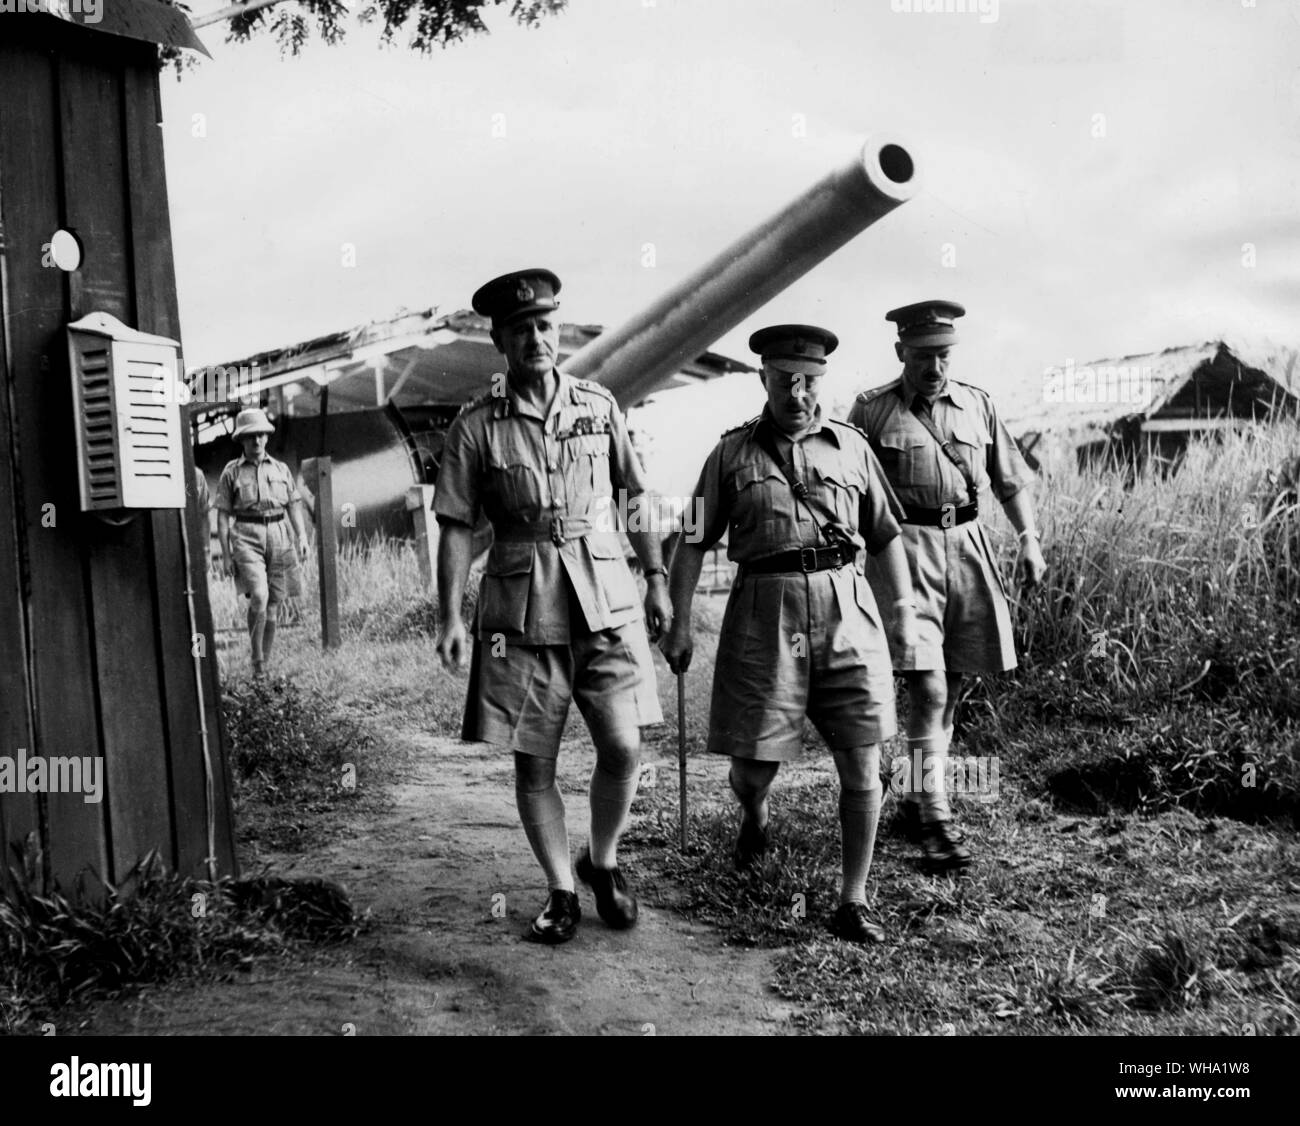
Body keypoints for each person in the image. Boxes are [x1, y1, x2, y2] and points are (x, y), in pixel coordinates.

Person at [434, 268, 671, 946]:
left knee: (623, 748)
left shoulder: (599, 406)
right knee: (533, 760)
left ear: (557, 330)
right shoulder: (477, 425)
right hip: (522, 605)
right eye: (521, 330)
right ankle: (561, 889)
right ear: (500, 341)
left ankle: (602, 861)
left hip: (606, 598)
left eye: (546, 326)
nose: (537, 339)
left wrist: (655, 574)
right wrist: (449, 615)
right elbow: (454, 522)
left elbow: (634, 493)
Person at [661, 325, 917, 944]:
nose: (797, 393)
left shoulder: (853, 448)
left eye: (808, 381)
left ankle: (852, 900)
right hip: (763, 613)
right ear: (764, 380)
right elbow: (691, 541)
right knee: (753, 770)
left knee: (864, 763)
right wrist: (677, 620)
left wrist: (904, 607)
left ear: (820, 381)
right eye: (784, 381)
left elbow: (884, 536)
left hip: (846, 612)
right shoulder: (731, 454)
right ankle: (753, 813)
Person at [847, 300, 1046, 872]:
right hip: (904, 554)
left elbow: (1010, 481)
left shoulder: (977, 405)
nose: (935, 367)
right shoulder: (872, 411)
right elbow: (849, 485)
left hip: (966, 548)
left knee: (952, 685)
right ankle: (934, 813)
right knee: (928, 689)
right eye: (923, 355)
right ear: (900, 352)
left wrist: (1029, 539)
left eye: (943, 355)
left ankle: (914, 793)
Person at [215, 408, 310, 679]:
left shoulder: (281, 469)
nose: (256, 441)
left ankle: (263, 668)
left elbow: (293, 505)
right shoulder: (231, 472)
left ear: (267, 438)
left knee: (274, 603)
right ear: (242, 441)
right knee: (259, 595)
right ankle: (256, 660)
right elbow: (222, 517)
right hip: (246, 535)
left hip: (279, 533)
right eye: (250, 437)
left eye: (261, 435)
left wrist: (301, 536)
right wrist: (226, 554)